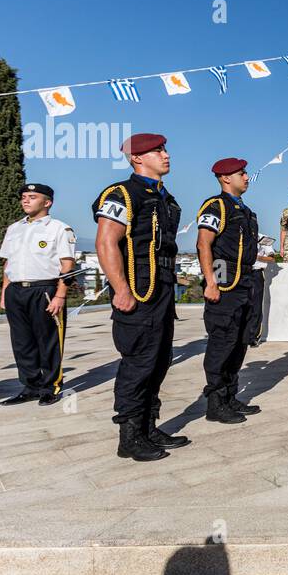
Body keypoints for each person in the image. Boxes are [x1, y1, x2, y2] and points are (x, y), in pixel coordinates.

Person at [92, 133, 189, 461]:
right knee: (138, 361)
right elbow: (106, 242)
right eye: (157, 150)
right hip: (137, 289)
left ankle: (148, 426)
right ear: (136, 158)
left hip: (161, 291)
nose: (165, 154)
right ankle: (129, 436)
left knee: (160, 359)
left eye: (165, 148)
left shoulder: (166, 198)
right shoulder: (122, 193)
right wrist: (121, 289)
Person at [197, 158, 263, 424]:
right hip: (225, 280)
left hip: (246, 282)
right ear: (226, 178)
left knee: (240, 341)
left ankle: (229, 396)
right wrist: (211, 282)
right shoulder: (216, 206)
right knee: (222, 342)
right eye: (241, 173)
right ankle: (215, 402)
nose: (247, 177)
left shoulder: (246, 211)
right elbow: (204, 244)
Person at [0, 183, 76, 406]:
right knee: (22, 342)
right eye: (23, 196)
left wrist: (61, 295)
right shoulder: (14, 228)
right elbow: (8, 262)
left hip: (44, 290)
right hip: (16, 290)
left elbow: (67, 263)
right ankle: (30, 385)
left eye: (32, 197)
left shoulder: (59, 229)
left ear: (47, 202)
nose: (25, 200)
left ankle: (51, 387)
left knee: (48, 340)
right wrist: (5, 293)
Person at [246, 233, 274, 348]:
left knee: (256, 306)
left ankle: (253, 337)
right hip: (241, 273)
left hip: (256, 273)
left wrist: (256, 257)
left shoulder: (262, 238)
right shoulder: (239, 235)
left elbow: (271, 258)